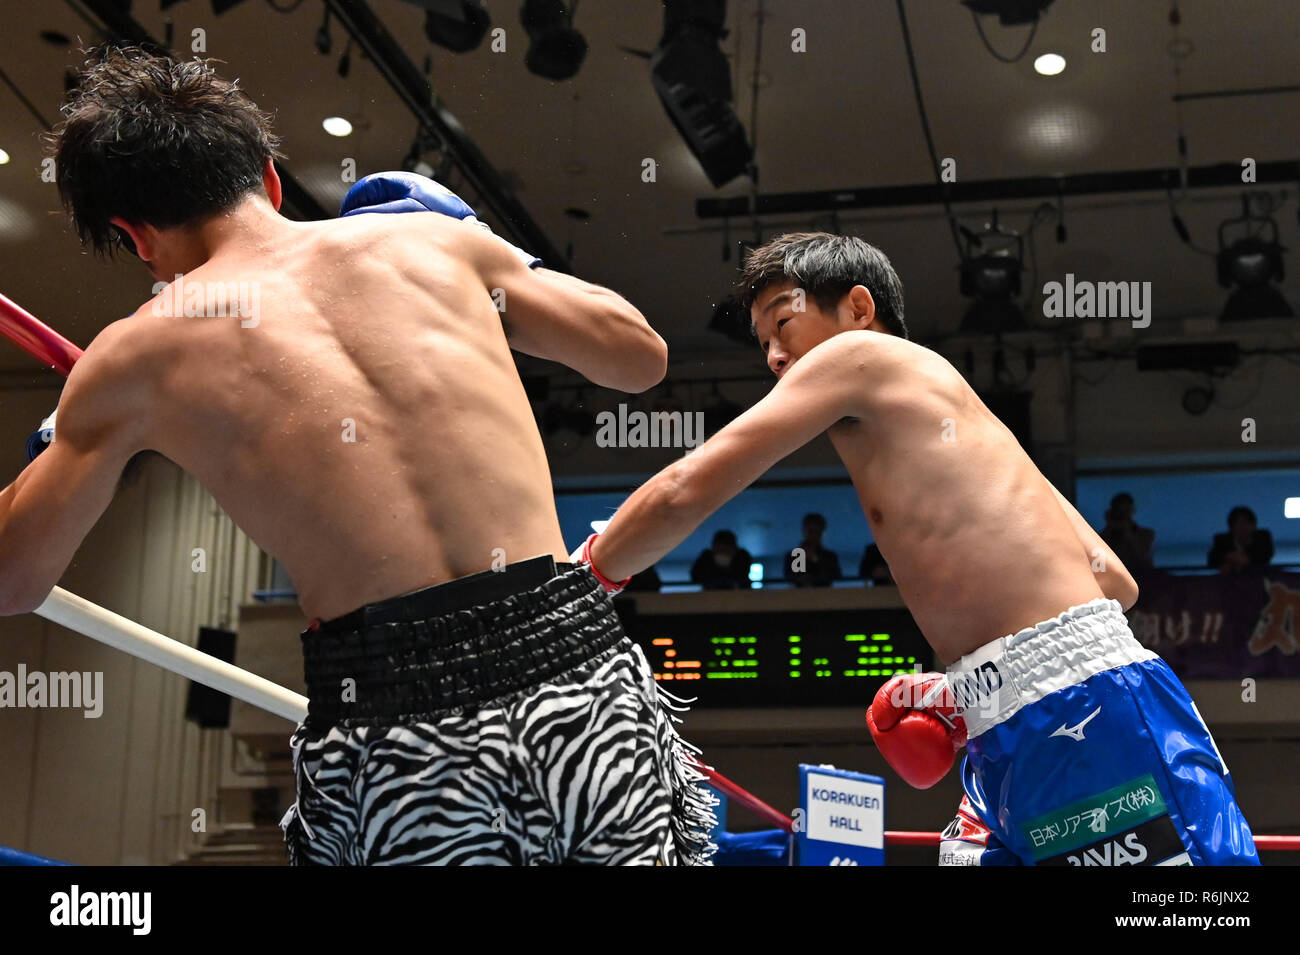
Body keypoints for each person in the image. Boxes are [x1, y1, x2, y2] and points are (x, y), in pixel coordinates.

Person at [1, 47, 716, 866]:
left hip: (398, 726)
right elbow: (639, 356)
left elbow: (12, 581)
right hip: (580, 680)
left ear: (133, 238)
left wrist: (63, 445)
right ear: (269, 178)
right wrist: (484, 242)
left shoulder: (136, 358)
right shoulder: (432, 247)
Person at [571, 231, 1257, 866]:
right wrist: (970, 685)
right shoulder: (966, 418)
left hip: (1084, 708)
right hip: (1022, 722)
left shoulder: (858, 355)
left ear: (859, 307)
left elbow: (693, 482)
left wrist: (586, 575)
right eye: (761, 343)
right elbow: (1113, 579)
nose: (774, 355)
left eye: (783, 323)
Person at [1099, 492, 1155, 573]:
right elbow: (1098, 561)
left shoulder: (1147, 534)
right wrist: (1109, 526)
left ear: (1133, 511)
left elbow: (1144, 561)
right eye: (1119, 511)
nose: (1123, 515)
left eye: (1126, 511)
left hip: (1142, 579)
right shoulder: (1103, 537)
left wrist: (1128, 534)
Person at [1207, 506, 1274, 574]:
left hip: (1258, 578)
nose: (1243, 527)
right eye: (1238, 523)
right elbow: (1212, 559)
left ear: (1254, 525)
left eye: (1246, 523)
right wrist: (1229, 557)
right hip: (1229, 581)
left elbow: (1266, 555)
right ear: (1231, 527)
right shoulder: (1222, 540)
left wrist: (1246, 559)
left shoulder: (1262, 538)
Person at [784, 512, 842, 587]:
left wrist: (815, 560)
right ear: (804, 531)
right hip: (800, 596)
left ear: (822, 532)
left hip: (823, 595)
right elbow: (792, 578)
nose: (814, 536)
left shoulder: (829, 557)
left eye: (817, 532)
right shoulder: (793, 556)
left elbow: (835, 575)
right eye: (810, 531)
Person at [689, 529, 753, 590]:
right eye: (719, 550)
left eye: (726, 550)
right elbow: (695, 576)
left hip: (739, 594)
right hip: (711, 595)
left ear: (734, 549)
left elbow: (743, 576)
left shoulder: (742, 557)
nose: (722, 553)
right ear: (714, 548)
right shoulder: (706, 557)